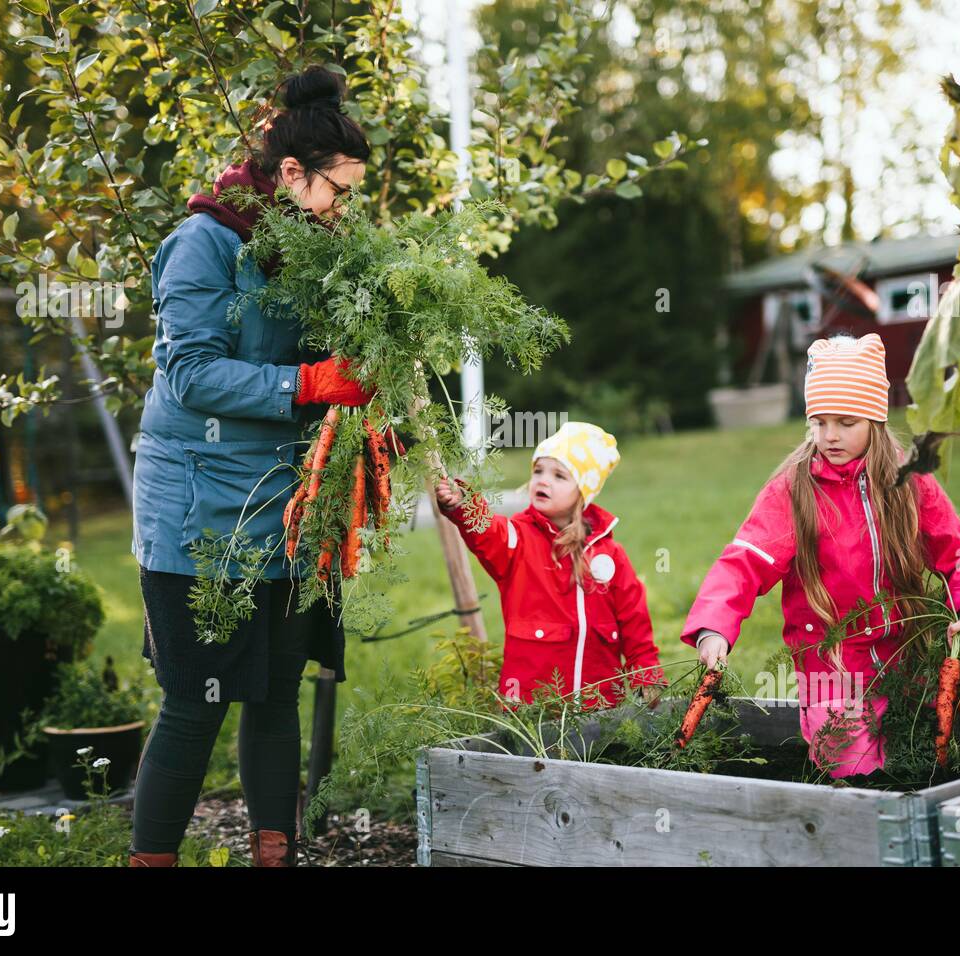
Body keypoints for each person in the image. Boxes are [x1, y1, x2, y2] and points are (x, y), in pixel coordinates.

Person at [128, 65, 373, 867]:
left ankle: (278, 854)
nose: (347, 208)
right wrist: (303, 383)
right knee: (196, 705)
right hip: (199, 513)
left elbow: (333, 361)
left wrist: (368, 393)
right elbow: (191, 373)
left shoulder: (307, 246)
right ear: (293, 174)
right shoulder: (202, 242)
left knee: (273, 697)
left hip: (282, 503)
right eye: (340, 189)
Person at [681, 333, 960, 777]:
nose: (829, 436)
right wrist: (713, 626)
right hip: (832, 671)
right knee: (855, 780)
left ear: (874, 418)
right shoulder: (794, 492)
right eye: (819, 421)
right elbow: (743, 562)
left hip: (908, 663)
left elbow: (958, 553)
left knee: (922, 767)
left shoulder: (909, 482)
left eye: (845, 422)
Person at [434, 422, 664, 708]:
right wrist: (464, 507)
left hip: (600, 709)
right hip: (533, 709)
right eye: (538, 471)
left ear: (583, 492)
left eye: (559, 476)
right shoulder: (518, 539)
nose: (543, 481)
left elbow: (635, 624)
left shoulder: (610, 555)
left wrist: (647, 677)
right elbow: (488, 533)